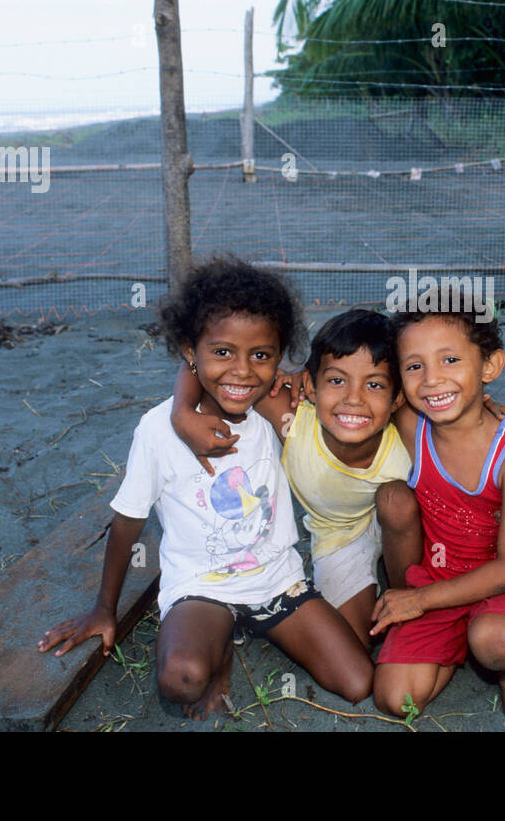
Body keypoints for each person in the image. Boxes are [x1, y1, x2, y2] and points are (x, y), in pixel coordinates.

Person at [38, 257, 372, 720]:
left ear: (280, 359)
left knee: (356, 683)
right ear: (190, 351)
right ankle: (218, 643)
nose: (242, 371)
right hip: (202, 589)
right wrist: (103, 608)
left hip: (277, 580)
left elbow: (354, 390)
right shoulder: (158, 430)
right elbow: (128, 522)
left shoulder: (276, 404)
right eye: (222, 353)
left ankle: (239, 629)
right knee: (182, 680)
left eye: (261, 355)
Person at [170, 308, 505, 650]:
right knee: (354, 644)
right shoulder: (293, 418)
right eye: (335, 381)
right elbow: (211, 368)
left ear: (398, 396)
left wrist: (483, 403)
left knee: (395, 499)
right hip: (339, 534)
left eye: (374, 385)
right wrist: (182, 410)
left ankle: (407, 599)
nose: (354, 399)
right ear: (313, 386)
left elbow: (454, 403)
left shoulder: (409, 423)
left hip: (417, 526)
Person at [370, 308, 505, 730]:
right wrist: (299, 379)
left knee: (495, 643)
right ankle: (452, 638)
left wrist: (416, 602)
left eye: (450, 359)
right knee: (394, 700)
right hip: (438, 579)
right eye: (414, 366)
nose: (432, 379)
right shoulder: (410, 423)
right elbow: (358, 383)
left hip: (500, 579)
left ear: (489, 365)